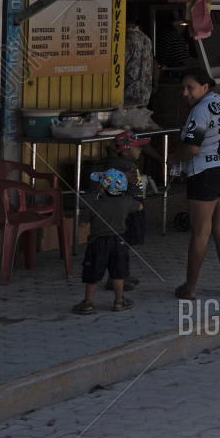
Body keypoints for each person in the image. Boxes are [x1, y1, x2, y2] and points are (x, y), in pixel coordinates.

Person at [175, 70, 220, 301]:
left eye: (190, 88)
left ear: (205, 86)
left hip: (205, 173)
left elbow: (193, 148)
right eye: (183, 88)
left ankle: (190, 289)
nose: (185, 93)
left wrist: (174, 157)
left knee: (201, 233)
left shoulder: (199, 112)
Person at [72, 169, 140, 314]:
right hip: (120, 242)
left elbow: (83, 224)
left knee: (93, 273)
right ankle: (119, 302)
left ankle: (88, 303)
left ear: (103, 188)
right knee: (118, 273)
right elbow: (140, 207)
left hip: (97, 243)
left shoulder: (94, 204)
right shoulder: (126, 202)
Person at [106, 130, 155, 293]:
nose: (140, 150)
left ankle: (122, 275)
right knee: (120, 246)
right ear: (126, 151)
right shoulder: (122, 168)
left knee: (124, 246)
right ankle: (116, 278)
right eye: (137, 148)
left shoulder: (128, 166)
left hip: (130, 209)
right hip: (125, 213)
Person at [125, 15, 157, 108]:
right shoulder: (146, 38)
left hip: (129, 93)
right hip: (145, 93)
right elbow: (153, 62)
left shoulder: (127, 39)